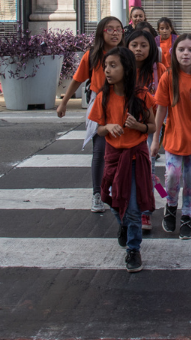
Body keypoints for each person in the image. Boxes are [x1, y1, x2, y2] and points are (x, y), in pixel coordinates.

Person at [89, 47, 156, 273]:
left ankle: (133, 249)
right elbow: (97, 129)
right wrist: (107, 127)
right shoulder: (103, 96)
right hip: (113, 157)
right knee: (113, 202)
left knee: (134, 207)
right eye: (106, 65)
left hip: (136, 157)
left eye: (113, 65)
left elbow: (154, 126)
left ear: (126, 69)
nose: (107, 70)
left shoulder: (142, 95)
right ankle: (124, 226)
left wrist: (138, 127)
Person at [150, 33, 191, 240]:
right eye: (181, 49)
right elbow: (161, 109)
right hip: (172, 140)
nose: (185, 53)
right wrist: (155, 140)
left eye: (190, 49)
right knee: (172, 177)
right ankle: (170, 208)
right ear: (173, 52)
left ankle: (187, 217)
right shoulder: (168, 77)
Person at [57, 16, 124, 214]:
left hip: (123, 105)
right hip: (100, 106)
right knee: (100, 151)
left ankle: (129, 192)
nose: (114, 32)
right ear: (101, 32)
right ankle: (98, 194)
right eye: (110, 29)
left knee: (129, 151)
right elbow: (77, 80)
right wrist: (64, 103)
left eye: (118, 29)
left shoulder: (127, 54)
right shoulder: (92, 55)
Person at [127, 28, 166, 233]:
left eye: (143, 45)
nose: (139, 49)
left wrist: (158, 135)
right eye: (134, 45)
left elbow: (167, 97)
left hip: (151, 127)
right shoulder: (123, 68)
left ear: (151, 47)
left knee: (147, 170)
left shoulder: (159, 68)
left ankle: (146, 213)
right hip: (128, 128)